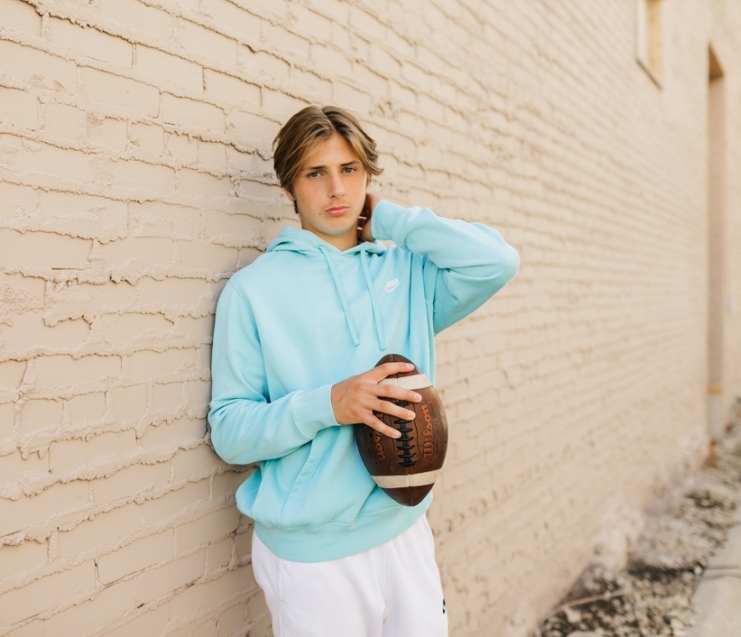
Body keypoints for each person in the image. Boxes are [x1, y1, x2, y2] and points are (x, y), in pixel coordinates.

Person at [207, 105, 519, 636]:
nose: (336, 189)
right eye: (315, 172)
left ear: (368, 179)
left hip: (404, 530)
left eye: (349, 170)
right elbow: (231, 432)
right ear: (290, 188)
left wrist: (391, 219)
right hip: (313, 556)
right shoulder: (253, 292)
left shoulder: (408, 273)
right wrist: (327, 405)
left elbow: (496, 261)